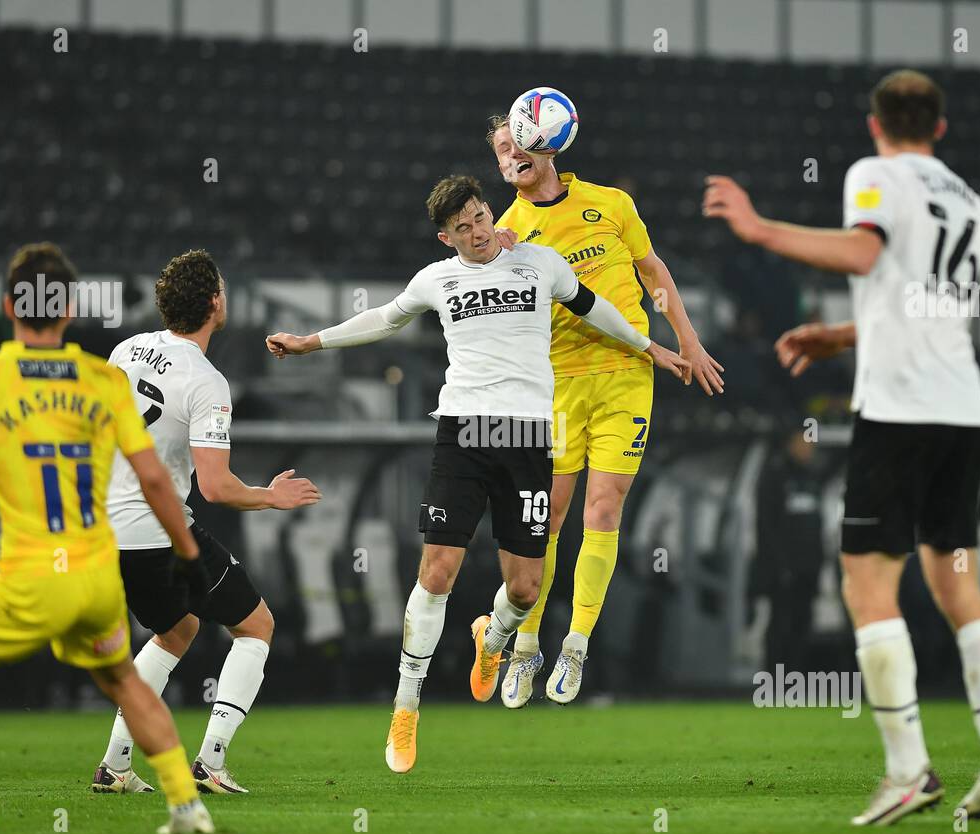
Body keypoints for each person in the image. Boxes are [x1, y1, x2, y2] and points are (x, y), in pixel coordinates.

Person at [266, 174, 690, 772]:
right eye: (462, 228)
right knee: (436, 573)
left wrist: (654, 349)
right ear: (446, 237)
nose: (477, 231)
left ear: (489, 212)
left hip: (527, 438)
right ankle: (405, 709)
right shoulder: (436, 280)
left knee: (525, 589)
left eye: (480, 217)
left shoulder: (539, 264)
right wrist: (311, 342)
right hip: (463, 433)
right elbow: (385, 319)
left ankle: (492, 639)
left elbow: (597, 310)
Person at [703, 69, 980, 826]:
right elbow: (927, 304)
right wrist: (844, 335)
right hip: (962, 408)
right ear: (940, 128)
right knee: (957, 584)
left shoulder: (875, 173)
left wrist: (759, 230)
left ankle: (908, 769)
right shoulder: (970, 202)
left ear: (875, 123)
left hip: (899, 408)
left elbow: (860, 254)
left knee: (865, 586)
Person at [0, 243, 214, 834]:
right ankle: (188, 808)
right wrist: (187, 555)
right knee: (124, 681)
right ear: (70, 307)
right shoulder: (100, 379)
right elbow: (157, 478)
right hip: (95, 577)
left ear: (9, 304)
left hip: (29, 579)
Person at [486, 115, 723, 708]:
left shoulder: (610, 203)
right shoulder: (507, 230)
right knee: (548, 517)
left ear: (545, 145)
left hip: (625, 375)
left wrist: (687, 339)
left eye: (515, 144)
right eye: (499, 151)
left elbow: (653, 272)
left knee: (604, 505)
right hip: (558, 383)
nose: (509, 156)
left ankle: (576, 646)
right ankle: (526, 649)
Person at [91, 249, 321, 796]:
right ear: (215, 302)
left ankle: (115, 766)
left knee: (179, 628)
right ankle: (211, 762)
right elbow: (216, 487)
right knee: (256, 625)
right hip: (156, 530)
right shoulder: (206, 381)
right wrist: (271, 496)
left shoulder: (126, 350)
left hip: (106, 528)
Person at [754, 430, 826, 671]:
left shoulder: (813, 477)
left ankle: (795, 680)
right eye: (805, 442)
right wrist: (777, 564)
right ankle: (773, 680)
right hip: (782, 569)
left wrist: (819, 561)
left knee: (802, 623)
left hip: (809, 567)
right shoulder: (775, 476)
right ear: (791, 443)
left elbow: (817, 524)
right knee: (781, 623)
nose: (810, 448)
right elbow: (766, 525)